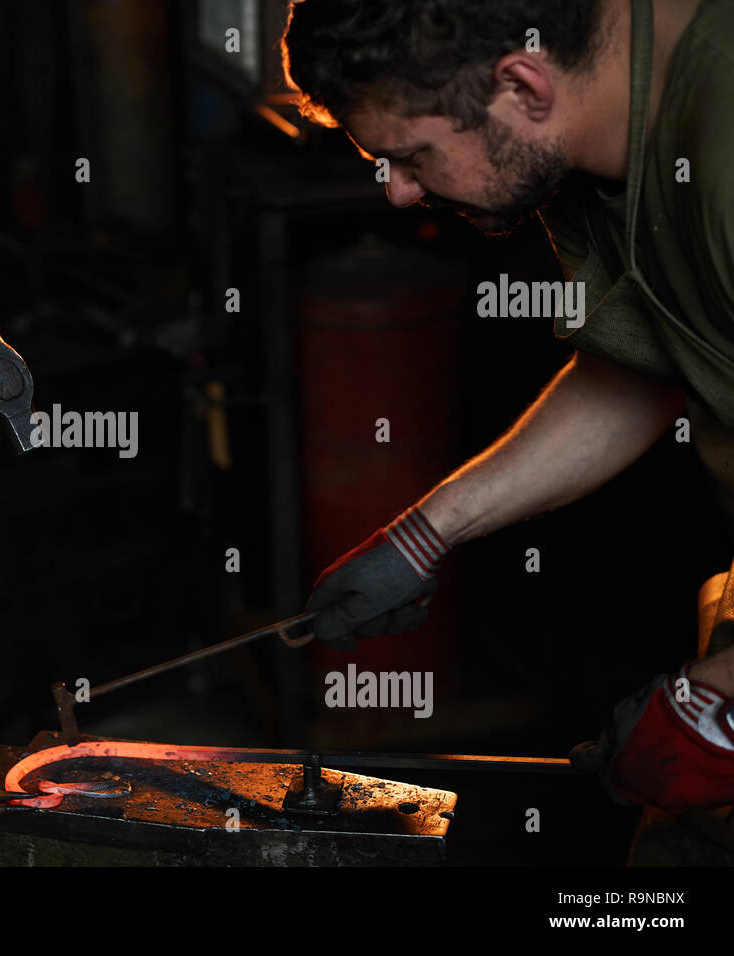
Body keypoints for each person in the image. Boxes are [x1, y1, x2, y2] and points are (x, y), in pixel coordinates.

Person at [282, 0, 734, 812]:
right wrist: (424, 536)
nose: (399, 193)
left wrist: (720, 695)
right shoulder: (587, 147)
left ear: (522, 86)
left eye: (413, 156)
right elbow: (642, 361)